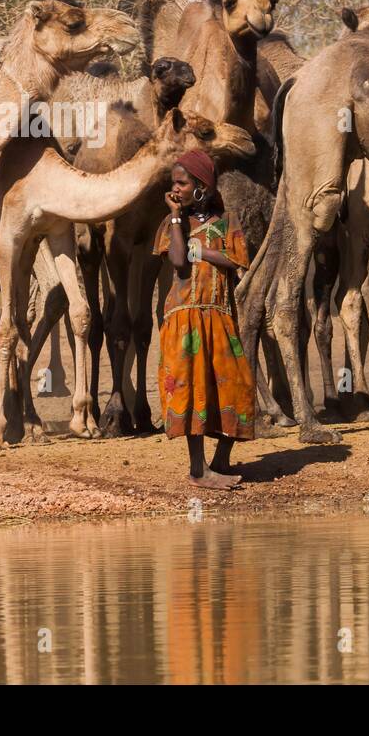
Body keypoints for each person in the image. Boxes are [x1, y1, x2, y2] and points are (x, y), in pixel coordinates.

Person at [154, 149, 255, 489]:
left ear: (203, 186)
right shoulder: (173, 224)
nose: (176, 188)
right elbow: (180, 260)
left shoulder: (227, 221)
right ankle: (198, 471)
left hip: (220, 315)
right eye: (174, 184)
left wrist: (206, 252)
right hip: (184, 320)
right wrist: (177, 217)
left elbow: (237, 261)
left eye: (182, 183)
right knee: (191, 390)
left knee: (236, 386)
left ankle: (219, 462)